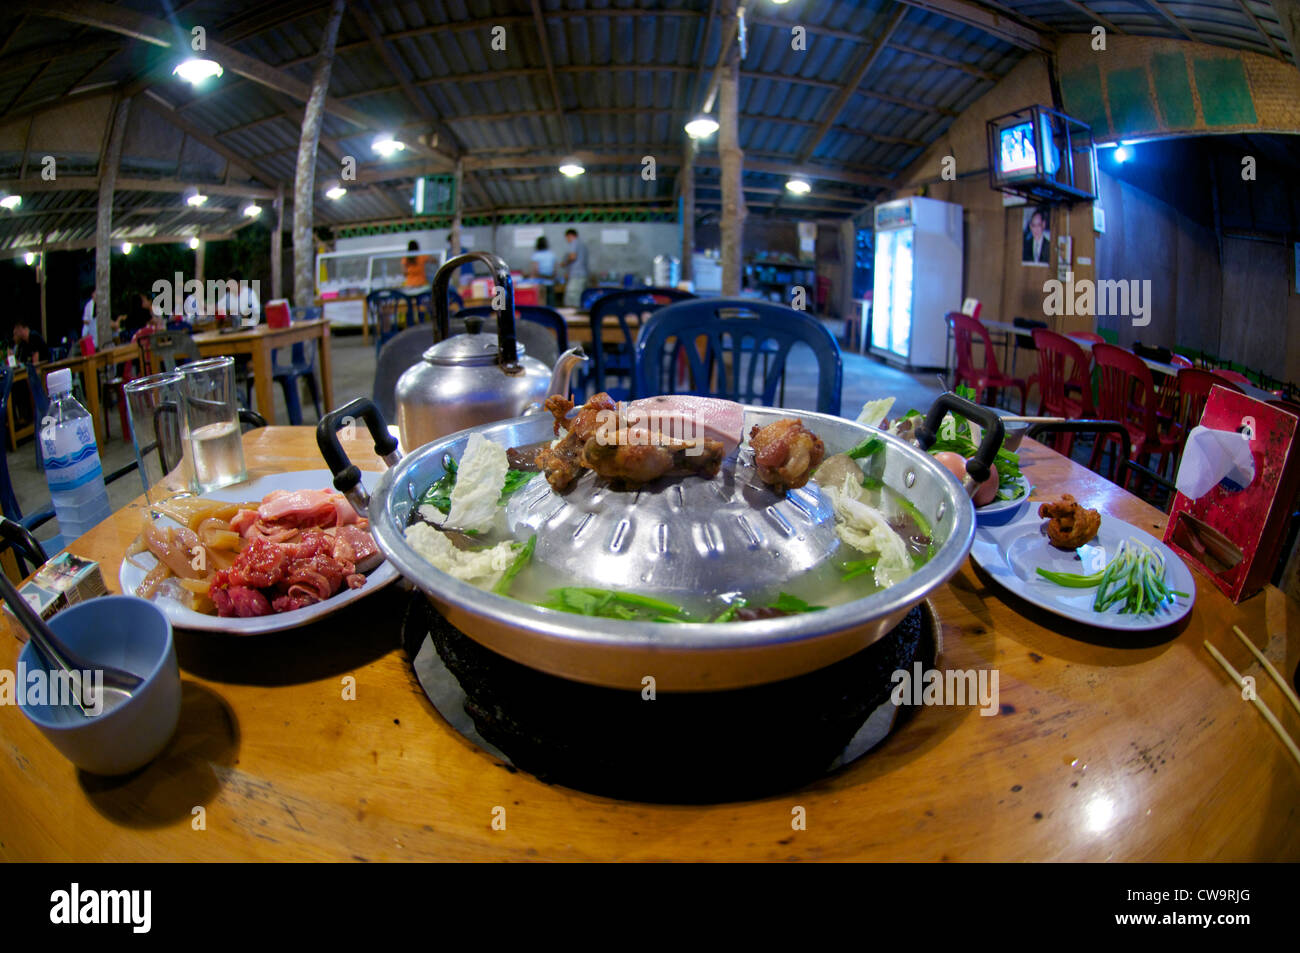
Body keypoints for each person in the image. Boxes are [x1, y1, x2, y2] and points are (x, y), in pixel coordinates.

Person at [562, 228, 588, 308]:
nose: (567, 240)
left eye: (567, 238)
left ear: (570, 236)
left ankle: (573, 317)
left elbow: (573, 257)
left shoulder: (574, 242)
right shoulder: (582, 244)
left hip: (577, 274)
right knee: (579, 295)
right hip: (583, 274)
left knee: (572, 296)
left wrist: (564, 263)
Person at [530, 236, 557, 306]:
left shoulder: (536, 255)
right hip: (550, 282)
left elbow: (535, 271)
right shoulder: (551, 255)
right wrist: (549, 277)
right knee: (551, 302)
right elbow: (555, 271)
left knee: (541, 304)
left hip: (540, 283)